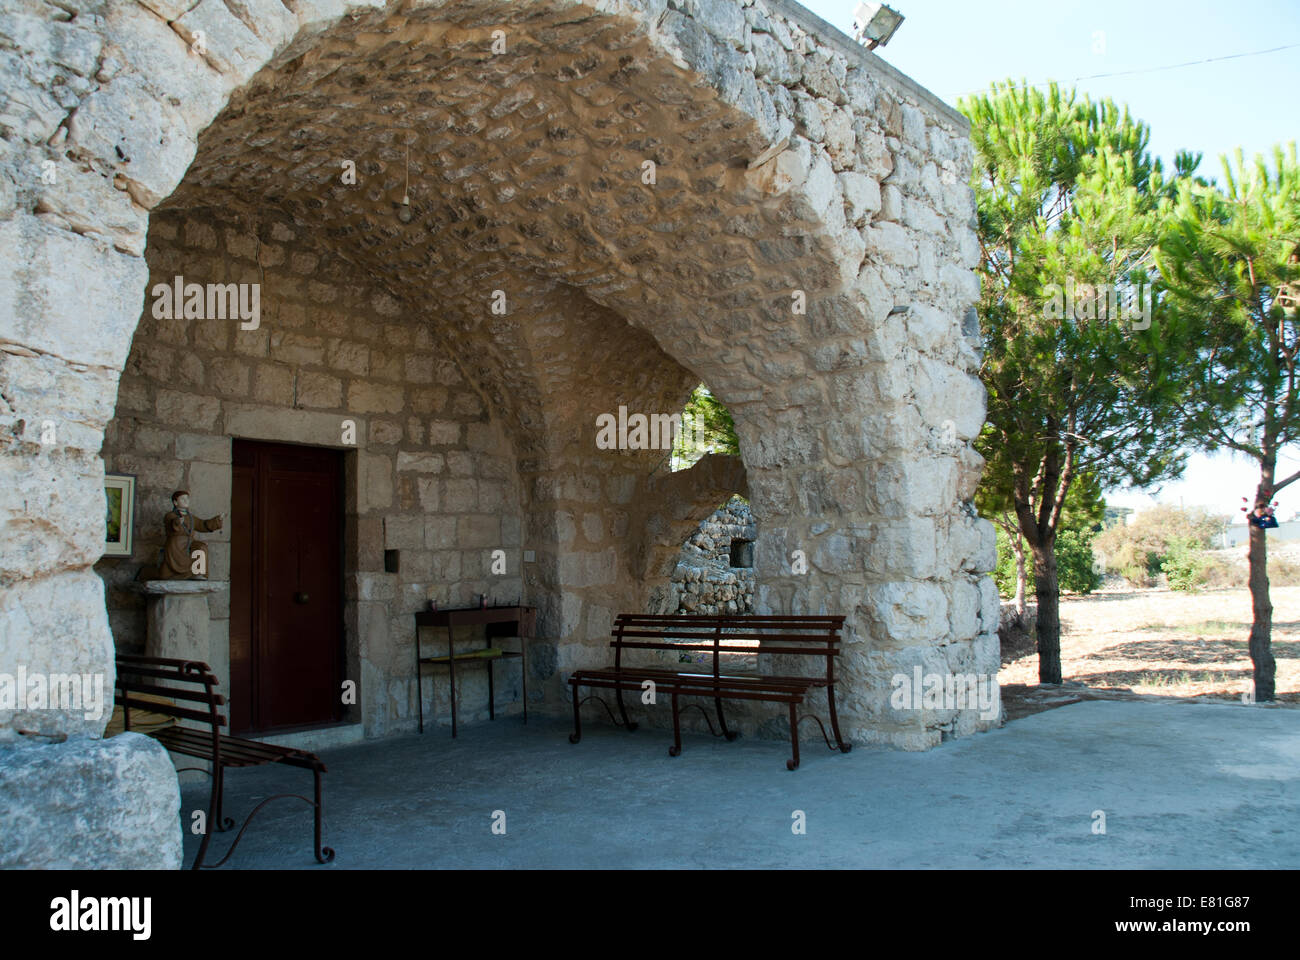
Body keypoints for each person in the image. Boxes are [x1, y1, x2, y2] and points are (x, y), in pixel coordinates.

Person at [138, 490, 225, 579]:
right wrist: (177, 522)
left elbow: (202, 525)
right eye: (183, 499)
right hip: (176, 546)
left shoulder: (191, 517)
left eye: (187, 498)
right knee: (164, 575)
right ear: (175, 502)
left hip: (189, 544)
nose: (186, 501)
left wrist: (217, 520)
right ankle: (147, 572)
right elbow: (172, 523)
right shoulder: (170, 515)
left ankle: (197, 572)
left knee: (201, 547)